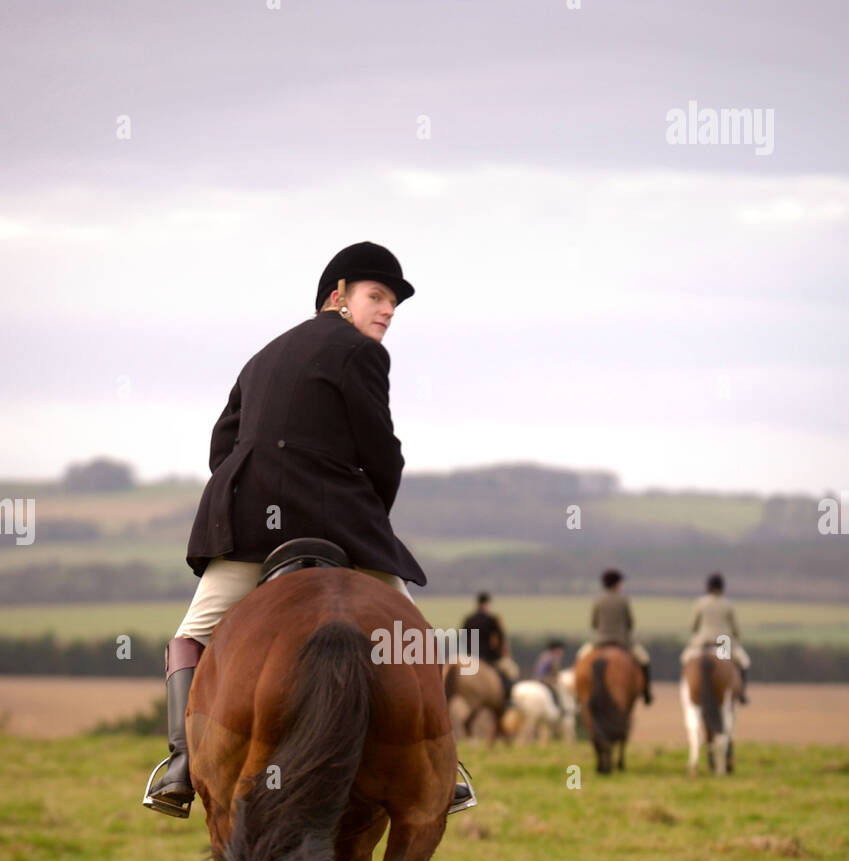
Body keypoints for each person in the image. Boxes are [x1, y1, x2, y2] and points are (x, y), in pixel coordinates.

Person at [143, 241, 476, 817]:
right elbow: (381, 451)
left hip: (249, 527)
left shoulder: (261, 356)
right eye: (377, 296)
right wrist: (371, 517)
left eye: (393, 304)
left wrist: (251, 493)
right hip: (336, 523)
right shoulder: (363, 352)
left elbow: (222, 446)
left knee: (192, 635)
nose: (388, 311)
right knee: (413, 637)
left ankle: (179, 764)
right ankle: (441, 767)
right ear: (338, 295)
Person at [575, 569, 653, 704]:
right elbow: (630, 623)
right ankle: (646, 693)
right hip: (622, 642)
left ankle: (577, 693)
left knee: (580, 657)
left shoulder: (598, 600)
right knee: (644, 659)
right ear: (617, 584)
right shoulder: (623, 600)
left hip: (599, 642)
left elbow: (594, 623)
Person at [681, 573, 750, 703]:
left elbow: (693, 627)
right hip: (723, 642)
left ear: (707, 587)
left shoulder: (700, 603)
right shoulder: (728, 604)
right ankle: (741, 693)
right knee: (744, 661)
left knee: (685, 659)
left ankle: (687, 691)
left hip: (702, 642)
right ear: (722, 587)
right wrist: (736, 637)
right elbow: (735, 629)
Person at [460, 592, 515, 701]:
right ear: (487, 604)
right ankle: (508, 700)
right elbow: (500, 640)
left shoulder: (469, 619)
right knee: (507, 674)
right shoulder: (492, 620)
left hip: (471, 656)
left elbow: (462, 638)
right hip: (488, 657)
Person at [533, 640, 568, 711]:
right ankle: (560, 707)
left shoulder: (544, 655)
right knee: (559, 690)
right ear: (556, 649)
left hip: (537, 678)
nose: (562, 651)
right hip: (545, 679)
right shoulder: (554, 657)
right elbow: (554, 671)